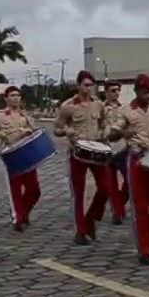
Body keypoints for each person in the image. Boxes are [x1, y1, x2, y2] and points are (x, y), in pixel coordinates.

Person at [105, 73, 149, 265]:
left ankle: (146, 235)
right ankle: (145, 250)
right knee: (140, 207)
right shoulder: (126, 111)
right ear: (136, 91)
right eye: (143, 92)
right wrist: (123, 132)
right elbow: (113, 135)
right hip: (138, 161)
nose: (147, 95)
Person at [54, 70, 113, 245]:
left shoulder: (98, 105)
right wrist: (66, 131)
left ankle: (91, 219)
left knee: (105, 188)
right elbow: (57, 129)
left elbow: (103, 123)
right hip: (78, 152)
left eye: (91, 85)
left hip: (97, 151)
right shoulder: (68, 106)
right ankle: (80, 232)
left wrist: (105, 132)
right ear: (79, 86)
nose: (89, 88)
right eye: (86, 85)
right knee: (78, 193)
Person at [0, 85, 41, 231]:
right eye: (12, 96)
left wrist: (28, 130)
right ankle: (18, 219)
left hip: (27, 154)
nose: (15, 98)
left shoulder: (26, 116)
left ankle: (24, 211)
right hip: (11, 154)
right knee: (15, 189)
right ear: (6, 99)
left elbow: (35, 132)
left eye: (17, 95)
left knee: (34, 189)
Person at [102, 80, 129, 225]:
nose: (116, 93)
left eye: (118, 90)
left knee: (129, 179)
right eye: (112, 90)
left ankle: (120, 204)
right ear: (106, 92)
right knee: (110, 183)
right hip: (105, 148)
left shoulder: (125, 108)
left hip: (123, 148)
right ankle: (117, 212)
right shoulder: (100, 109)